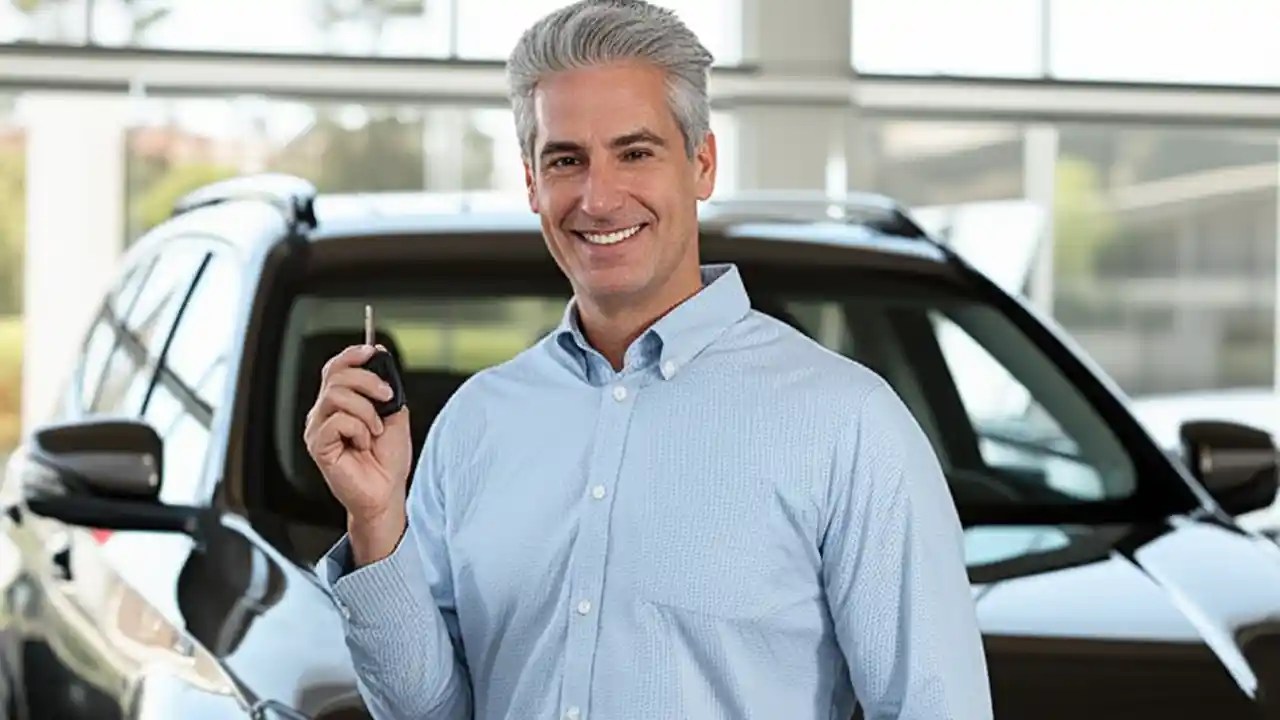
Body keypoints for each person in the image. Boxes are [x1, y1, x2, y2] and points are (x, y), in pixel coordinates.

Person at [306, 1, 993, 718]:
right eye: (566, 159)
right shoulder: (477, 424)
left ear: (701, 163)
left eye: (635, 152)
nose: (599, 198)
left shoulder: (848, 425)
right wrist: (378, 520)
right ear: (533, 183)